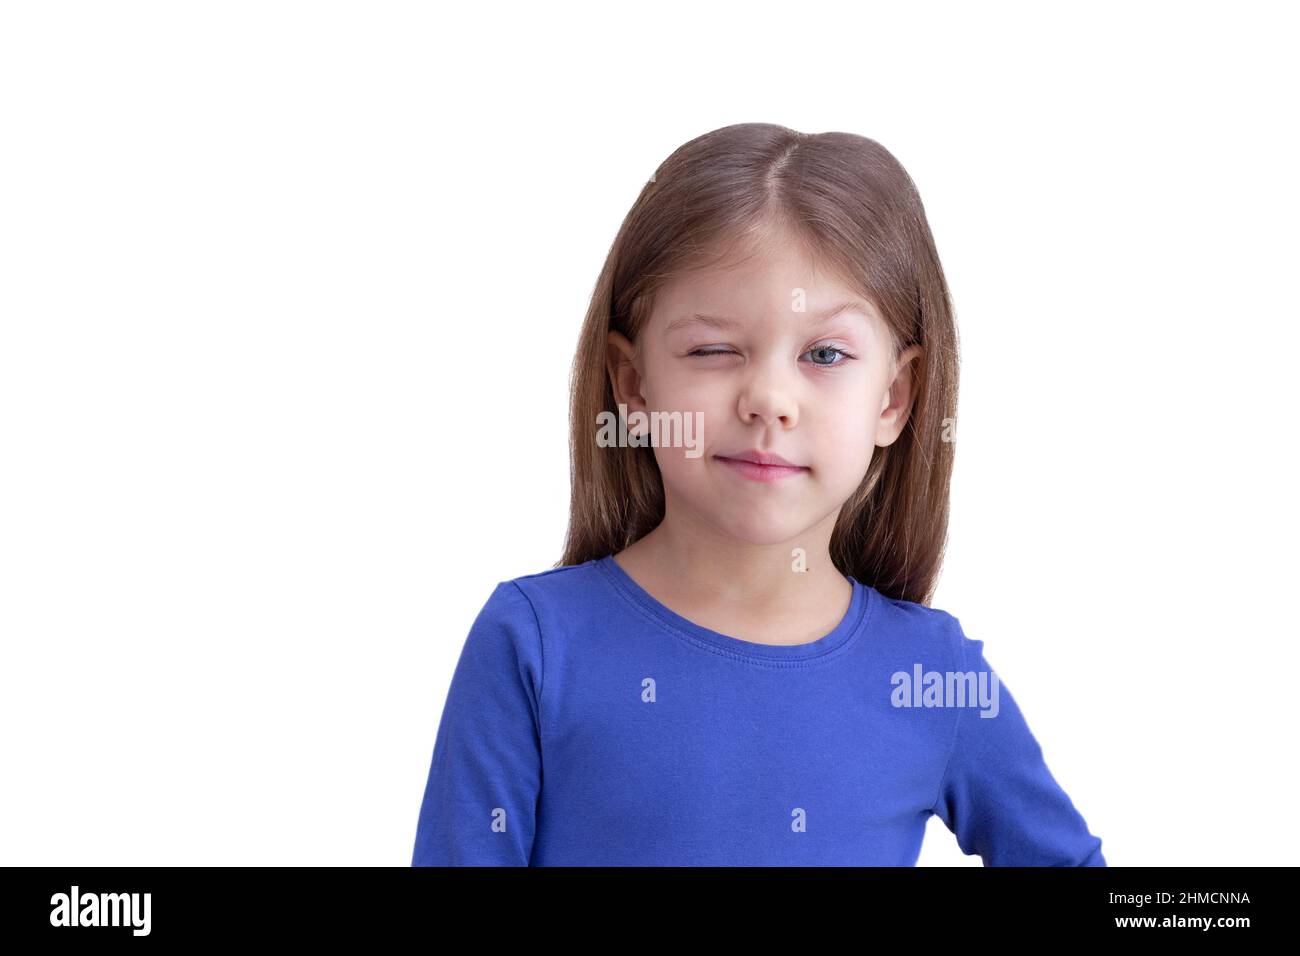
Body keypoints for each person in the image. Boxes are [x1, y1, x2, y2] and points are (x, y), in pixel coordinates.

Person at [411, 123, 1106, 866]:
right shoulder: (531, 646)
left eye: (826, 354)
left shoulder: (932, 679)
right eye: (713, 350)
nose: (770, 399)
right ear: (633, 385)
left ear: (895, 398)